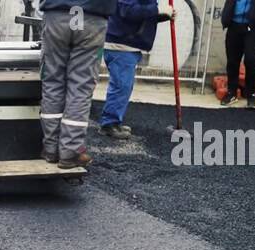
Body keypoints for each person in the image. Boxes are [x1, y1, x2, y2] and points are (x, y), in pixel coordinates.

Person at [38, 0, 117, 169]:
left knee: (53, 81)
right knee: (80, 87)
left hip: (56, 14)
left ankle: (51, 148)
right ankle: (70, 151)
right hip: (92, 17)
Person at [99, 0, 175, 139]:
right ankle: (109, 124)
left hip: (125, 43)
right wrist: (157, 10)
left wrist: (162, 15)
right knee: (121, 85)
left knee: (123, 86)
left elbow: (139, 15)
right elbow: (128, 11)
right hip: (121, 44)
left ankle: (113, 121)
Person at [220, 0, 255, 109]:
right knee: (232, 60)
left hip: (254, 27)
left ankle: (251, 94)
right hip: (234, 24)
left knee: (250, 59)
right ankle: (232, 92)